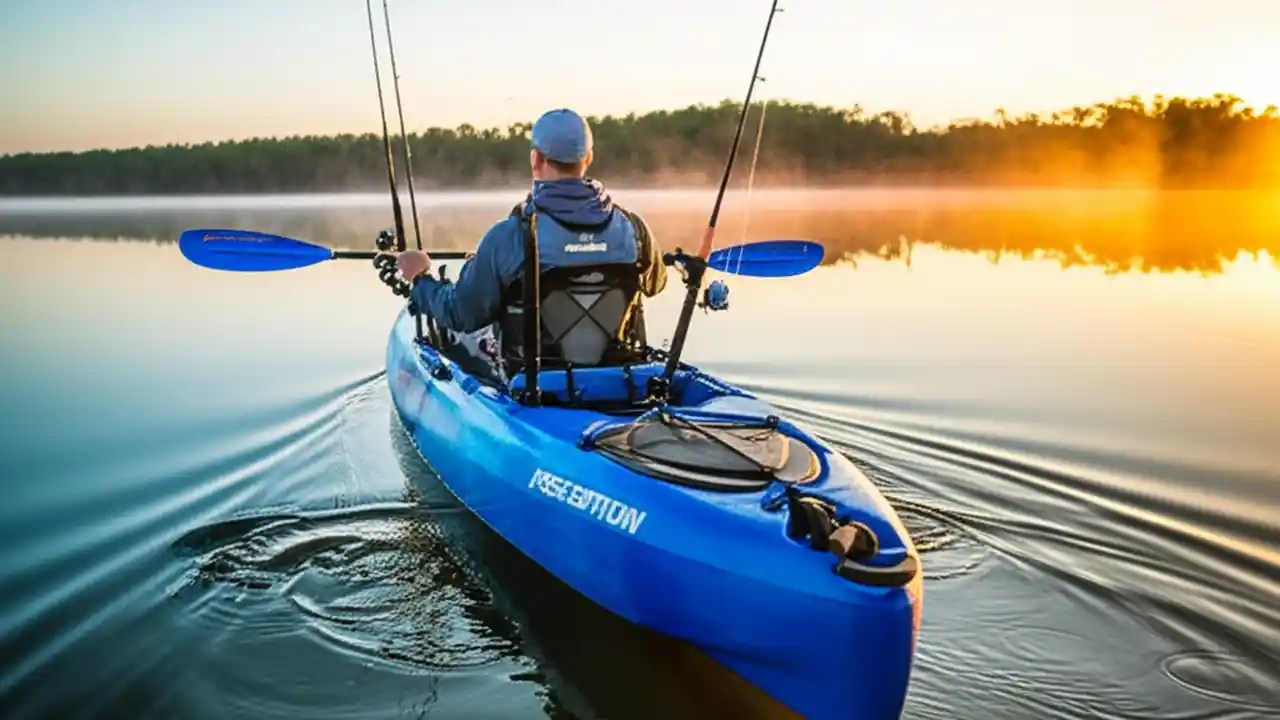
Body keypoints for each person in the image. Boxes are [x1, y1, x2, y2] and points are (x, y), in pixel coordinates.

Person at [395, 108, 667, 379]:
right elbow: (657, 284)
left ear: (535, 160)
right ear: (589, 158)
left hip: (533, 390)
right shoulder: (635, 230)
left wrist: (421, 279)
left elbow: (460, 314)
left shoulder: (509, 237)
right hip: (620, 380)